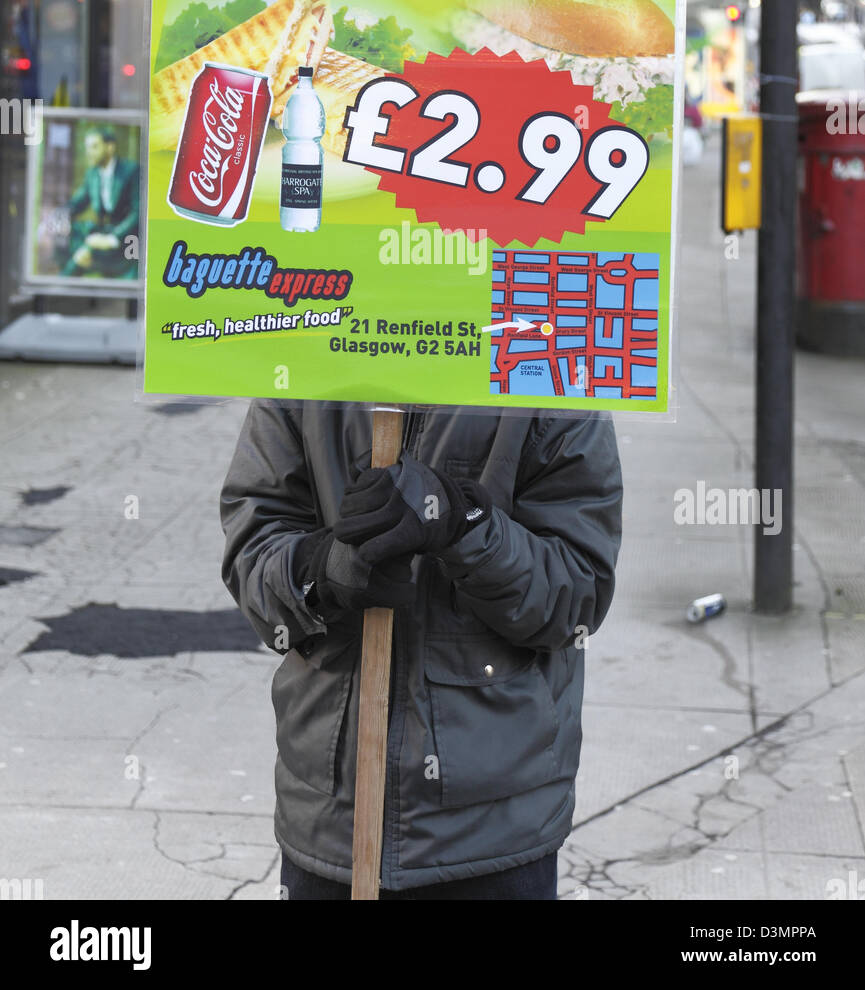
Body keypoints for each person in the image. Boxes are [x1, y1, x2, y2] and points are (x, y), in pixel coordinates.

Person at [220, 402, 622, 899]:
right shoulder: (305, 353)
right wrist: (322, 569)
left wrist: (467, 525)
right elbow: (254, 549)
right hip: (330, 816)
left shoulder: (548, 355)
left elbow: (575, 595)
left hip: (491, 831)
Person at [61, 127, 139, 279]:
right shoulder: (92, 174)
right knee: (75, 260)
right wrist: (58, 216)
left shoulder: (131, 171)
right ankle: (54, 295)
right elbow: (78, 203)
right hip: (101, 237)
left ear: (110, 147)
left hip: (128, 242)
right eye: (87, 148)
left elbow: (138, 212)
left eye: (95, 146)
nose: (89, 152)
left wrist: (113, 238)